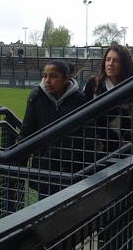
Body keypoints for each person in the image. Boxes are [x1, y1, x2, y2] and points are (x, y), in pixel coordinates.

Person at [19, 60, 89, 198]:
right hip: (44, 167)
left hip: (72, 168)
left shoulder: (80, 99)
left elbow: (86, 134)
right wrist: (19, 164)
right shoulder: (36, 96)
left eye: (53, 76)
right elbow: (26, 130)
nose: (47, 81)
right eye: (45, 76)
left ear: (66, 78)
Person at [82, 44, 133, 155]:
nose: (110, 64)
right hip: (97, 150)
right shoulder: (93, 85)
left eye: (116, 61)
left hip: (128, 151)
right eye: (108, 59)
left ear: (124, 64)